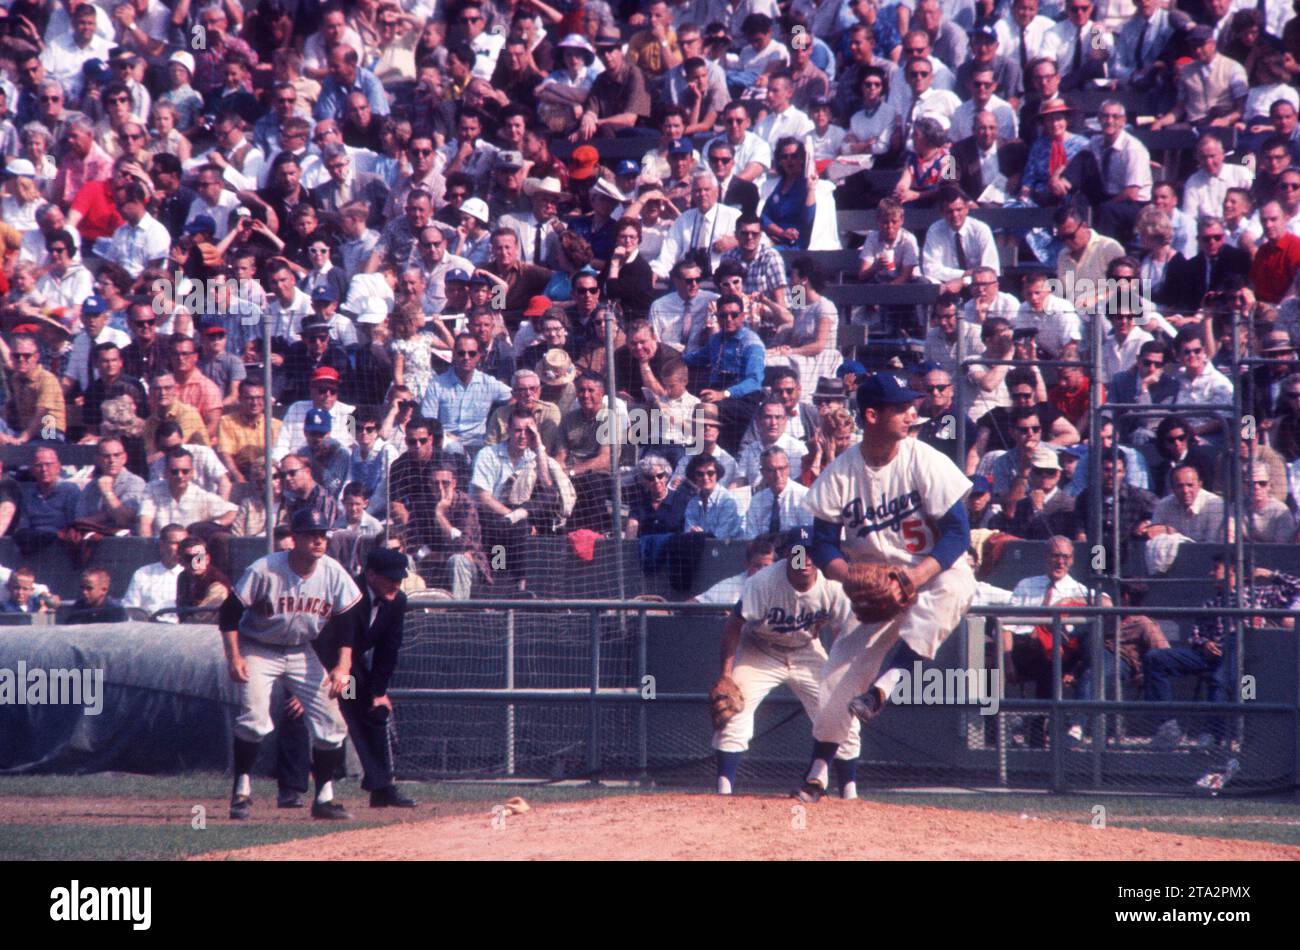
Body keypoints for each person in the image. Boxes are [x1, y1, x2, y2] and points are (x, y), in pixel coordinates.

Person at [795, 374, 976, 802]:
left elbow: (957, 535)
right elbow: (820, 543)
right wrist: (849, 576)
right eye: (901, 407)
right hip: (875, 588)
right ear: (872, 415)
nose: (912, 412)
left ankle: (887, 685)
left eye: (912, 405)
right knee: (834, 680)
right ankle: (818, 770)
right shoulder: (842, 473)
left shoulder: (924, 460)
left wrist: (914, 577)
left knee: (958, 584)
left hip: (927, 572)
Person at [221, 508, 364, 821]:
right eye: (311, 534)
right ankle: (242, 791)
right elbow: (228, 613)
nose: (319, 540)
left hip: (301, 650)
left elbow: (347, 621)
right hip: (259, 647)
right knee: (255, 719)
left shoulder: (332, 571)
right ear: (295, 538)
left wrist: (343, 666)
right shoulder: (265, 568)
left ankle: (324, 799)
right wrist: (234, 656)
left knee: (332, 724)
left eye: (322, 534)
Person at [712, 528, 862, 797]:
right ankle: (723, 792)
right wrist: (726, 674)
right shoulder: (763, 582)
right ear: (785, 556)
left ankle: (850, 795)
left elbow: (842, 632)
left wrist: (842, 676)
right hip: (760, 648)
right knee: (734, 711)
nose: (803, 559)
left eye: (809, 553)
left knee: (841, 711)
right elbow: (734, 626)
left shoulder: (834, 585)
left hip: (806, 650)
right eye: (796, 553)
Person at [1144, 556, 1300, 748]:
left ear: (1232, 572)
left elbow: (1297, 587)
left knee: (1223, 673)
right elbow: (1195, 635)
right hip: (1211, 654)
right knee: (1155, 659)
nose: (1211, 574)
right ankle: (1167, 726)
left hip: (1243, 653)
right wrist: (1204, 643)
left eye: (1216, 569)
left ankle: (1211, 735)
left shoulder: (1258, 594)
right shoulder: (1210, 603)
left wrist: (1271, 574)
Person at [121, 523, 187, 622]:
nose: (180, 548)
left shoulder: (192, 574)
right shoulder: (142, 574)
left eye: (184, 544)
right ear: (162, 545)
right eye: (175, 543)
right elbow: (130, 609)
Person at [176, 535, 232, 623]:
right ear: (180, 561)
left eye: (199, 558)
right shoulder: (183, 577)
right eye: (188, 558)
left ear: (207, 559)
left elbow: (202, 618)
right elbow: (181, 609)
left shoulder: (217, 581)